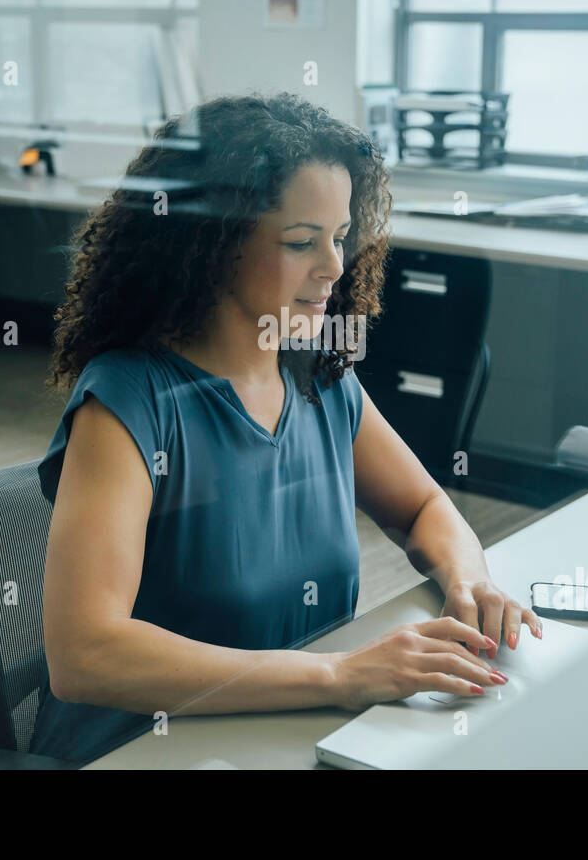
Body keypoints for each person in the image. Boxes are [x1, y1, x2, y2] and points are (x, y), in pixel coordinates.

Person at [31, 92, 543, 764]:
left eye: (339, 237)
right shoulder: (129, 401)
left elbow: (423, 505)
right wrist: (339, 674)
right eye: (302, 242)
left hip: (291, 732)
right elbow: (83, 654)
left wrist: (468, 575)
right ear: (212, 243)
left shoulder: (320, 378)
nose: (333, 266)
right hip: (151, 749)